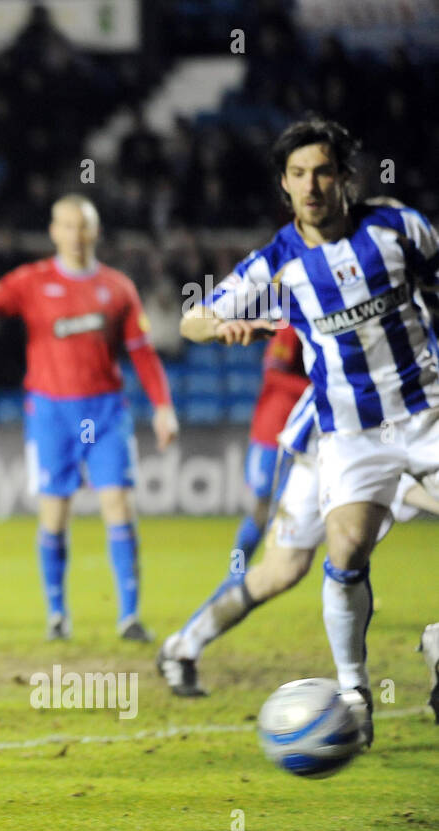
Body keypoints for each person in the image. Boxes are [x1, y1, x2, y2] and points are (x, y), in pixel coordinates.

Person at [179, 116, 439, 745]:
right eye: (299, 175)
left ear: (345, 176)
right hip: (350, 432)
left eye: (323, 171)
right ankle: (353, 691)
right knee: (344, 551)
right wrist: (221, 325)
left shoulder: (399, 228)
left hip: (430, 408)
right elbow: (192, 320)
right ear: (285, 186)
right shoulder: (277, 265)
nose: (312, 185)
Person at [0, 194, 179, 641]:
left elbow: (142, 352)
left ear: (95, 231)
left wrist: (163, 406)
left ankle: (128, 616)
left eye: (83, 225)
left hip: (106, 410)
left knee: (118, 505)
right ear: (53, 231)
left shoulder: (118, 288)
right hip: (50, 413)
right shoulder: (31, 281)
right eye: (66, 225)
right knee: (54, 512)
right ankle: (57, 615)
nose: (75, 234)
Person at [158, 385, 439, 699]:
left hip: (408, 431)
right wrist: (221, 331)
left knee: (335, 556)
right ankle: (184, 646)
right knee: (281, 571)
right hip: (329, 441)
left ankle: (366, 685)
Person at [230, 323, 308, 573]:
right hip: (271, 432)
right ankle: (235, 572)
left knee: (290, 511)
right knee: (262, 510)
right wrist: (314, 390)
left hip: (303, 434)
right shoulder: (291, 326)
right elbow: (273, 373)